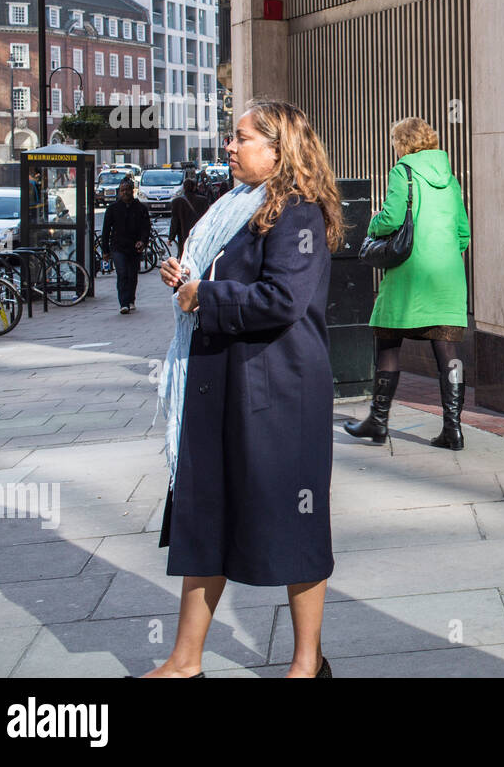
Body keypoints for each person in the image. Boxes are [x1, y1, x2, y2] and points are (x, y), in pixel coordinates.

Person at [147, 100, 344, 678]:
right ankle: (185, 662)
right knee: (203, 516)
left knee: (295, 523)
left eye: (241, 139)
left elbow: (285, 299)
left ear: (279, 149)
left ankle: (307, 665)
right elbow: (225, 279)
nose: (229, 148)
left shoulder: (299, 213)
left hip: (279, 396)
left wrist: (204, 297)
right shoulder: (234, 206)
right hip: (220, 387)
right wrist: (188, 278)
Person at [344, 118, 471, 449]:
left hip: (409, 272)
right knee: (447, 348)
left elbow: (391, 218)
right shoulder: (451, 178)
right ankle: (453, 430)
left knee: (388, 340)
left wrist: (373, 224)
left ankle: (378, 421)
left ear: (402, 143)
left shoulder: (403, 170)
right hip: (447, 276)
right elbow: (463, 233)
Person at [100, 178, 151, 314]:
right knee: (122, 273)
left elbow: (146, 228)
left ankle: (131, 299)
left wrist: (143, 241)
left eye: (127, 190)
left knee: (132, 275)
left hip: (134, 248)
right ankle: (123, 303)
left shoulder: (140, 208)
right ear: (119, 192)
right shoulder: (113, 209)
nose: (125, 193)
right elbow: (105, 231)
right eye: (122, 190)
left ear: (132, 190)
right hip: (118, 247)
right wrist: (105, 251)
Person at [168, 173, 210, 257]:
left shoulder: (177, 202)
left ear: (184, 188)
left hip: (184, 236)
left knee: (185, 256)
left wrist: (171, 237)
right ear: (194, 187)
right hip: (200, 235)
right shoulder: (203, 200)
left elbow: (175, 221)